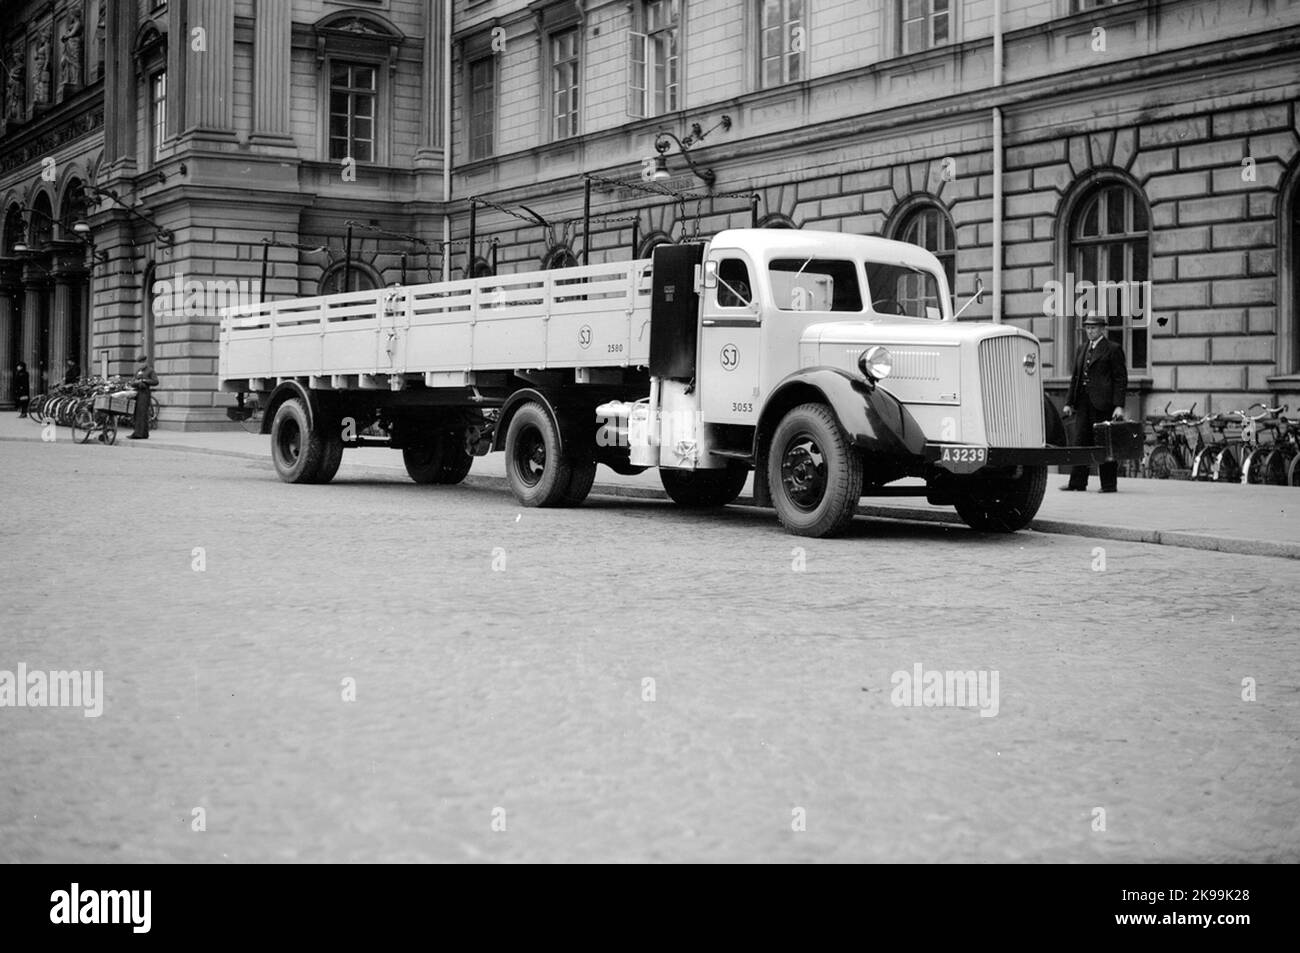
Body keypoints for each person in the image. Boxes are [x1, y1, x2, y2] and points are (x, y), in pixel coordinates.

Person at [1062, 314, 1128, 493]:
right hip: (1083, 404)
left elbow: (1120, 379)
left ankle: (1108, 485)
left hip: (1104, 404)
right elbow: (1075, 377)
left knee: (1104, 444)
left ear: (1102, 329)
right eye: (1087, 327)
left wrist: (1118, 405)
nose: (1089, 331)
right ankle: (1077, 483)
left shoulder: (1113, 349)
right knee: (1080, 442)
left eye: (1093, 328)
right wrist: (1069, 402)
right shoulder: (1082, 349)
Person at [128, 356, 158, 439]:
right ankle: (142, 433)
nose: (140, 364)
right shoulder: (138, 371)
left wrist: (145, 381)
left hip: (145, 393)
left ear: (145, 362)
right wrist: (135, 382)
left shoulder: (150, 371)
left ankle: (139, 434)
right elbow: (132, 381)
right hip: (137, 392)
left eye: (142, 363)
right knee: (137, 413)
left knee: (142, 413)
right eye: (139, 363)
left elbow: (155, 381)